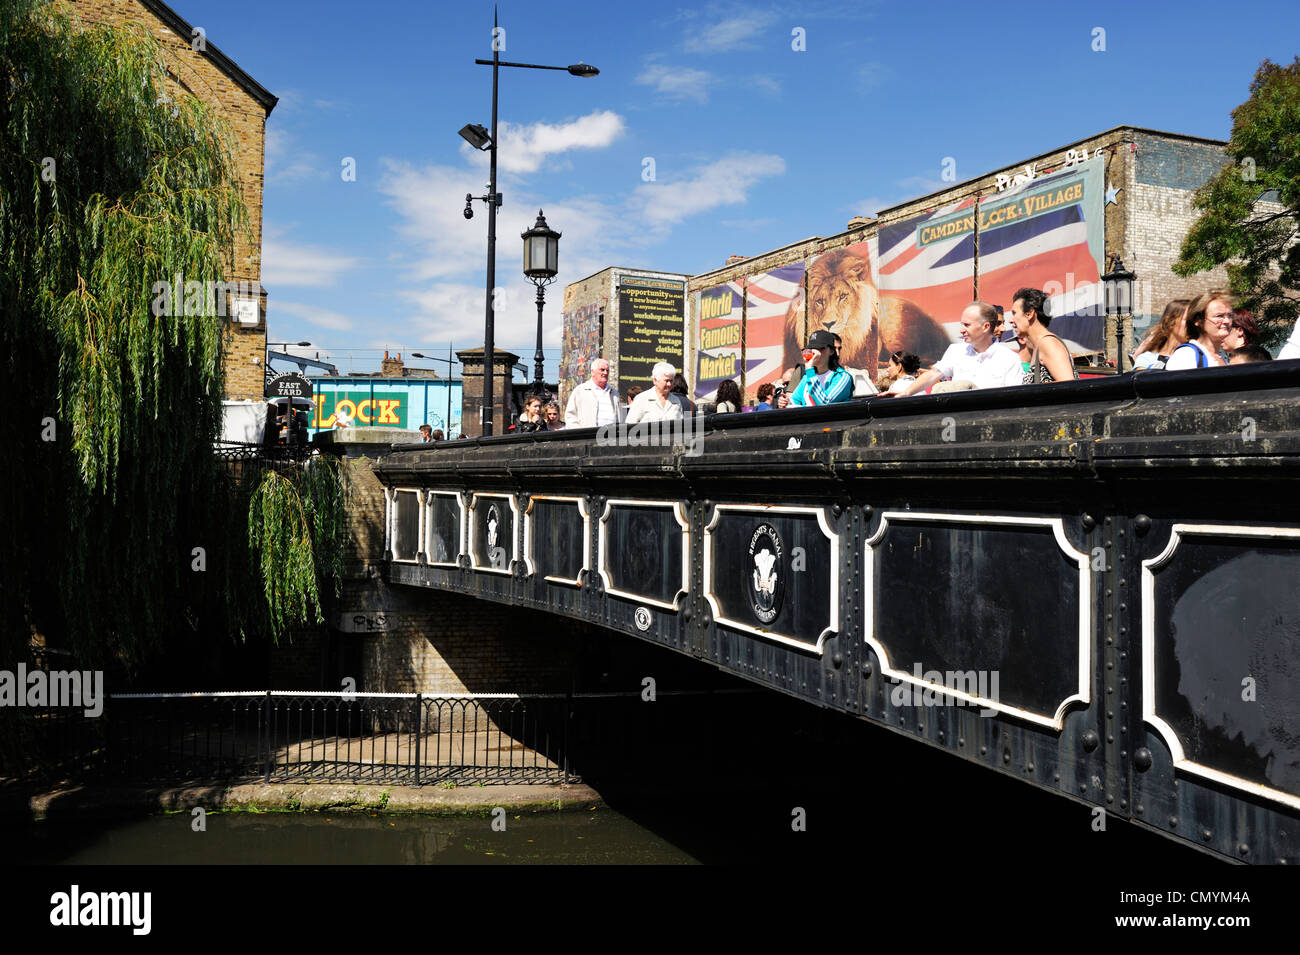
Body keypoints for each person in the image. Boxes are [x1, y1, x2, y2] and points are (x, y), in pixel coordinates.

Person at [891, 303, 1021, 396]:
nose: (961, 330)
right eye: (961, 324)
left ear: (985, 327)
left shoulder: (1009, 359)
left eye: (967, 325)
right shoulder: (955, 351)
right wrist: (906, 392)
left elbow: (1013, 398)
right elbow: (933, 374)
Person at [1007, 288, 1077, 384]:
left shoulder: (1048, 343)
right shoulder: (1040, 345)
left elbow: (1068, 384)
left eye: (1014, 313)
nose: (1010, 320)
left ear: (1029, 314)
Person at [776, 330, 854, 407]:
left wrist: (810, 370)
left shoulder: (842, 377)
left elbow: (825, 404)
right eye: (812, 348)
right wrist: (786, 403)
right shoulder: (806, 377)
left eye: (820, 348)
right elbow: (794, 401)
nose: (815, 352)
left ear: (831, 351)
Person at [1165, 290, 1236, 370]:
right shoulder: (1186, 356)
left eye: (1230, 315)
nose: (1227, 321)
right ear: (1198, 320)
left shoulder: (1224, 356)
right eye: (1219, 316)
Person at [1132, 299, 1191, 370]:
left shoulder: (1195, 357)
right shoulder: (1148, 359)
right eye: (1187, 320)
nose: (1194, 324)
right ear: (1170, 322)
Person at [564, 358, 622, 428]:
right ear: (592, 372)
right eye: (602, 370)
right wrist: (580, 434)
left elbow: (619, 418)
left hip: (611, 436)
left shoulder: (614, 393)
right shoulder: (580, 391)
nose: (605, 373)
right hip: (588, 437)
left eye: (607, 370)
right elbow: (570, 416)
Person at [832, 332, 878, 396]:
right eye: (833, 349)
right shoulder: (814, 374)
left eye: (839, 349)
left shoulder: (849, 375)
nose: (837, 354)